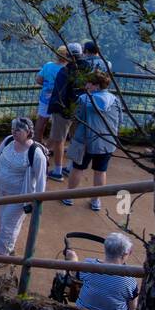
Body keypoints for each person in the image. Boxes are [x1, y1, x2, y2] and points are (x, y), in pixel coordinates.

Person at [0, 117, 48, 266]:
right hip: (3, 191)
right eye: (12, 129)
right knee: (3, 219)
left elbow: (42, 180)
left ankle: (1, 255)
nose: (13, 132)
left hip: (19, 196)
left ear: (28, 132)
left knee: (8, 223)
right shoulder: (9, 140)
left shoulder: (36, 154)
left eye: (18, 130)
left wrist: (38, 202)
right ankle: (8, 248)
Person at [64, 70, 122, 212]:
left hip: (85, 141)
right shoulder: (115, 100)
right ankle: (96, 200)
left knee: (78, 168)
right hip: (106, 142)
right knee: (100, 171)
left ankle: (69, 196)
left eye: (89, 82)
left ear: (96, 85)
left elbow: (76, 118)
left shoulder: (84, 99)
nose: (86, 85)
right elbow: (119, 121)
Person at [68, 233, 141, 310]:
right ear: (126, 253)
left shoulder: (89, 265)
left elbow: (73, 272)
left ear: (105, 248)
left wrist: (72, 257)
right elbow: (132, 308)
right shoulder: (130, 280)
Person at [46, 42, 84, 181]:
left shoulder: (65, 71)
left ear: (68, 55)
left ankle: (57, 171)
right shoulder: (88, 69)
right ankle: (70, 167)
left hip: (64, 110)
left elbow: (60, 92)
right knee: (75, 139)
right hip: (80, 110)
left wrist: (55, 107)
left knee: (59, 140)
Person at [34, 46, 67, 143]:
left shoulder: (48, 65)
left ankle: (37, 141)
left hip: (45, 97)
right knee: (57, 123)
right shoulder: (66, 70)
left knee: (41, 120)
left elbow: (39, 80)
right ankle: (51, 145)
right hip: (59, 100)